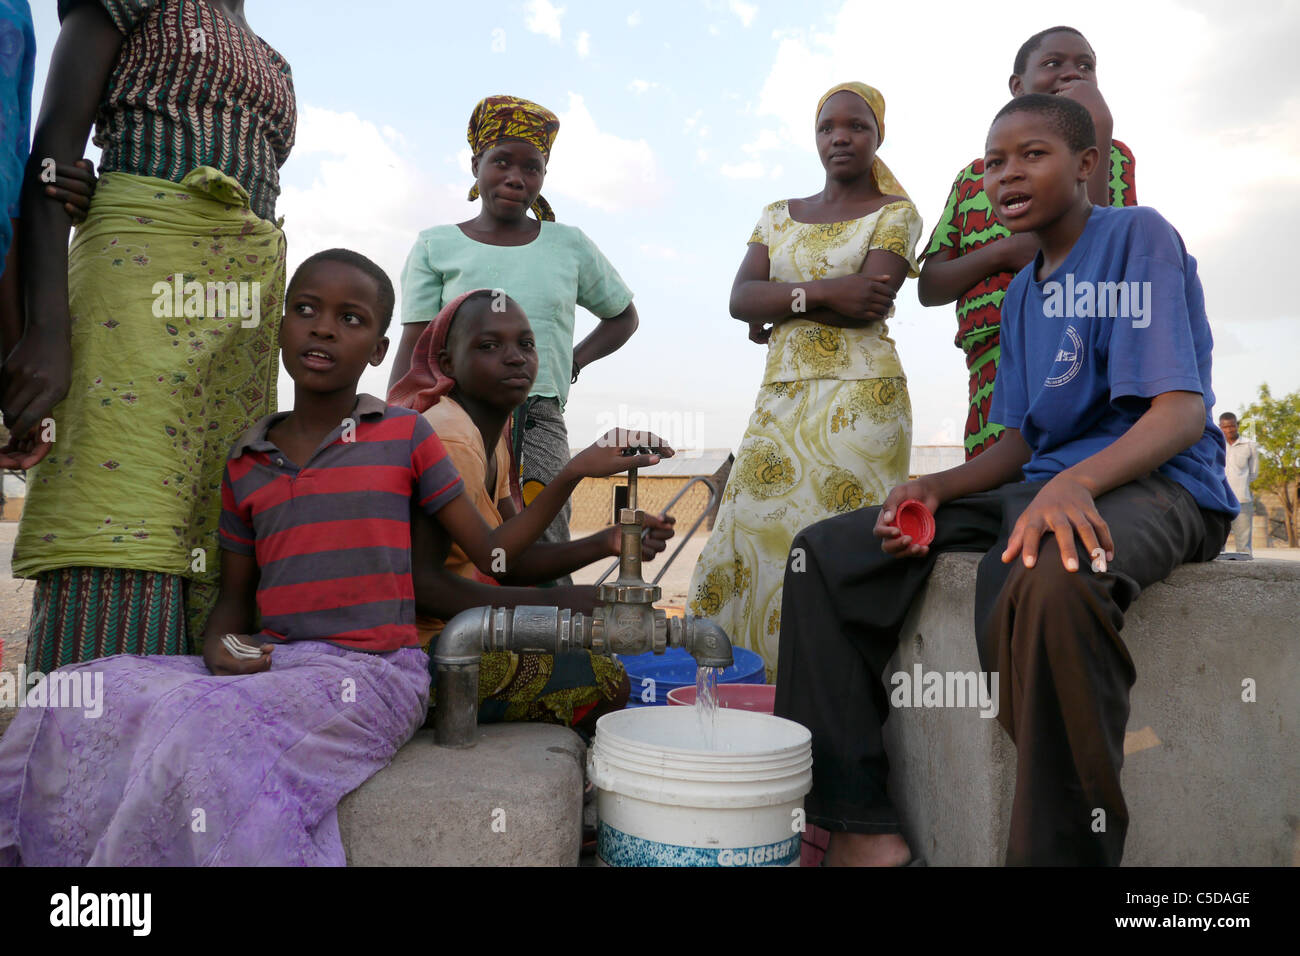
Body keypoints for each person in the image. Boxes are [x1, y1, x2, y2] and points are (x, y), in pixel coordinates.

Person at [0, 249, 668, 866]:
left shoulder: (407, 436)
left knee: (204, 735)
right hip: (279, 663)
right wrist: (222, 649)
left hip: (375, 672)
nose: (323, 330)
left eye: (349, 319)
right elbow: (235, 600)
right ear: (281, 326)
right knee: (75, 694)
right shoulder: (248, 458)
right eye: (306, 310)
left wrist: (573, 477)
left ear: (379, 348)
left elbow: (491, 554)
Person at [774, 94, 1235, 866]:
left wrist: (1077, 485)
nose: (1006, 174)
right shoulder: (1024, 293)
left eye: (1032, 155)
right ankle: (861, 826)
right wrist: (936, 489)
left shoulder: (1137, 236)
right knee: (820, 555)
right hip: (1047, 483)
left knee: (1054, 572)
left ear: (1087, 165)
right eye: (993, 162)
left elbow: (1179, 413)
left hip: (1161, 482)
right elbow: (1020, 441)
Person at [4, 0, 297, 671]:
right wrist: (46, 329)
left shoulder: (274, 61)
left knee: (220, 500)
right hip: (136, 285)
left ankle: (184, 748)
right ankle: (89, 736)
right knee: (122, 488)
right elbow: (53, 150)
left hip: (243, 301)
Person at [687, 81, 922, 679]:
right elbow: (741, 298)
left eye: (857, 126)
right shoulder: (776, 215)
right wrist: (823, 292)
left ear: (878, 136)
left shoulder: (897, 214)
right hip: (783, 394)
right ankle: (746, 690)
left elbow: (869, 302)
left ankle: (830, 696)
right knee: (748, 540)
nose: (840, 137)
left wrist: (782, 303)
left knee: (834, 542)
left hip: (863, 400)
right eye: (827, 127)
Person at [390, 288, 676, 730]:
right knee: (606, 679)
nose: (515, 357)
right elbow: (425, 587)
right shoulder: (449, 438)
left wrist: (605, 542)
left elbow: (506, 558)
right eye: (489, 346)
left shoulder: (490, 437)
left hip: (449, 632)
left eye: (526, 344)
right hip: (415, 654)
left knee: (592, 651)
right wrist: (560, 603)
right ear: (447, 364)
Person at [387, 95, 640, 585]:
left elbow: (622, 317)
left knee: (540, 539)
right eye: (501, 160)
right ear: (475, 164)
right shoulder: (437, 245)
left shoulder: (568, 244)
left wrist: (571, 361)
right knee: (452, 547)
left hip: (538, 416)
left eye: (533, 167)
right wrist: (395, 424)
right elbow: (417, 343)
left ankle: (544, 649)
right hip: (454, 419)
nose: (516, 176)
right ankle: (463, 650)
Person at [918, 26, 1138, 461]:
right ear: (1017, 87)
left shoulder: (1111, 156)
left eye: (1086, 66)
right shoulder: (975, 178)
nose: (1073, 74)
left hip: (1080, 352)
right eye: (1053, 63)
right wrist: (1003, 253)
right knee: (999, 494)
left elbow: (1106, 253)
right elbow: (930, 287)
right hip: (992, 368)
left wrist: (1098, 128)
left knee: (1074, 479)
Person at [1219, 412, 1258, 553]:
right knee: (1217, 545)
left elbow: (1253, 473)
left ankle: (1247, 575)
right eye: (1225, 427)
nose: (1229, 430)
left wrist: (1241, 484)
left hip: (1242, 499)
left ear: (1238, 425)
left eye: (1232, 426)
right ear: (1220, 427)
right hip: (1220, 500)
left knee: (1244, 547)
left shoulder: (1249, 445)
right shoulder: (1217, 445)